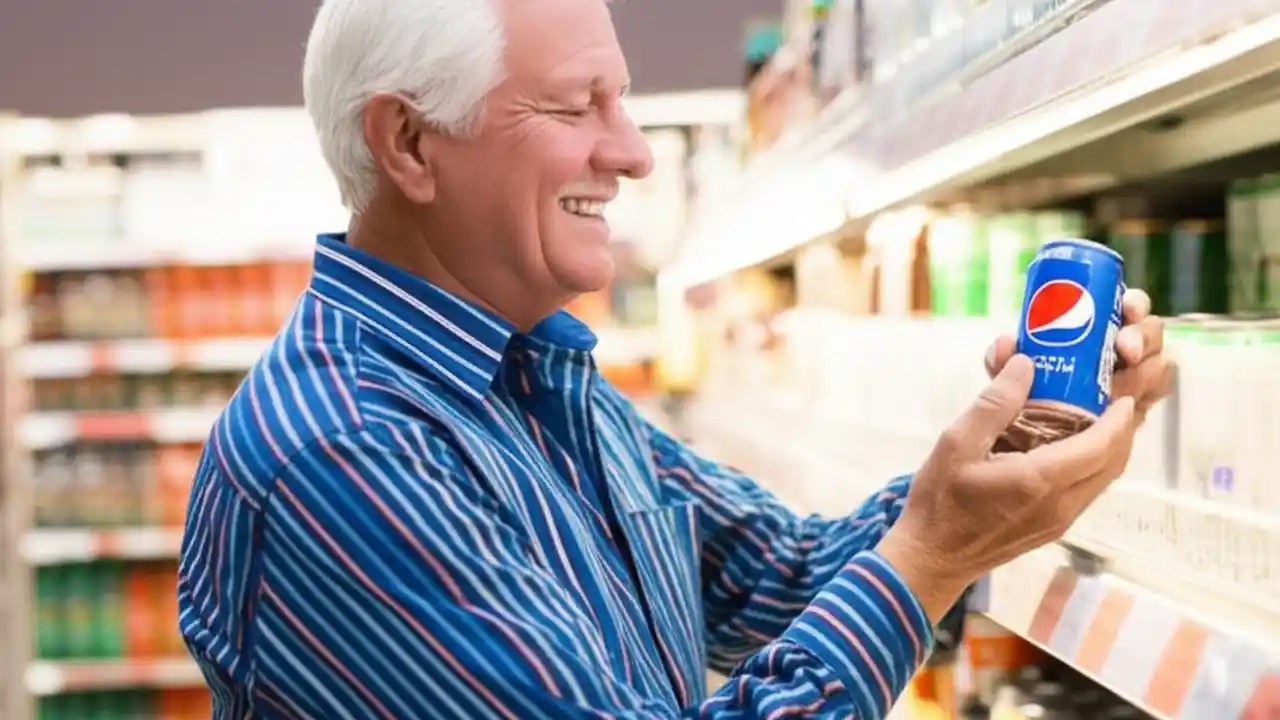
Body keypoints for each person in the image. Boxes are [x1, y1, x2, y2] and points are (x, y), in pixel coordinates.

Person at [176, 0, 1173, 717]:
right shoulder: (347, 452)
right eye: (576, 107)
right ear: (407, 142)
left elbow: (772, 576)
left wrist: (1024, 429)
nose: (633, 152)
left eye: (620, 101)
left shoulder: (533, 381)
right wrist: (930, 555)